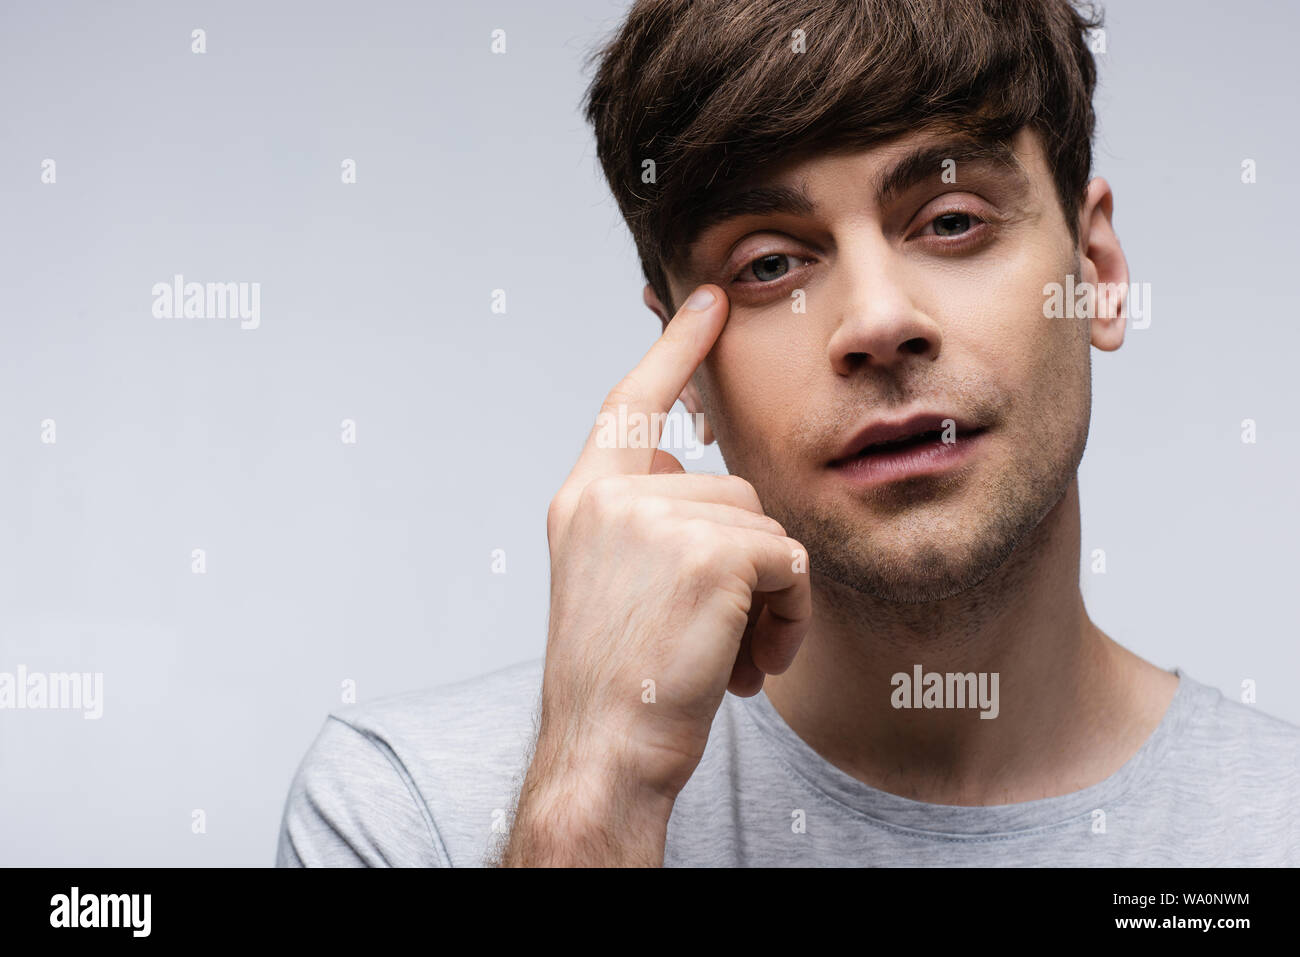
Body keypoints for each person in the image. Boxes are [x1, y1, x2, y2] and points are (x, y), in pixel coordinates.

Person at [276, 0, 1300, 867]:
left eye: (950, 221)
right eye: (770, 263)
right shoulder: (410, 816)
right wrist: (593, 803)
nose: (876, 322)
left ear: (1099, 274)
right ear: (690, 373)